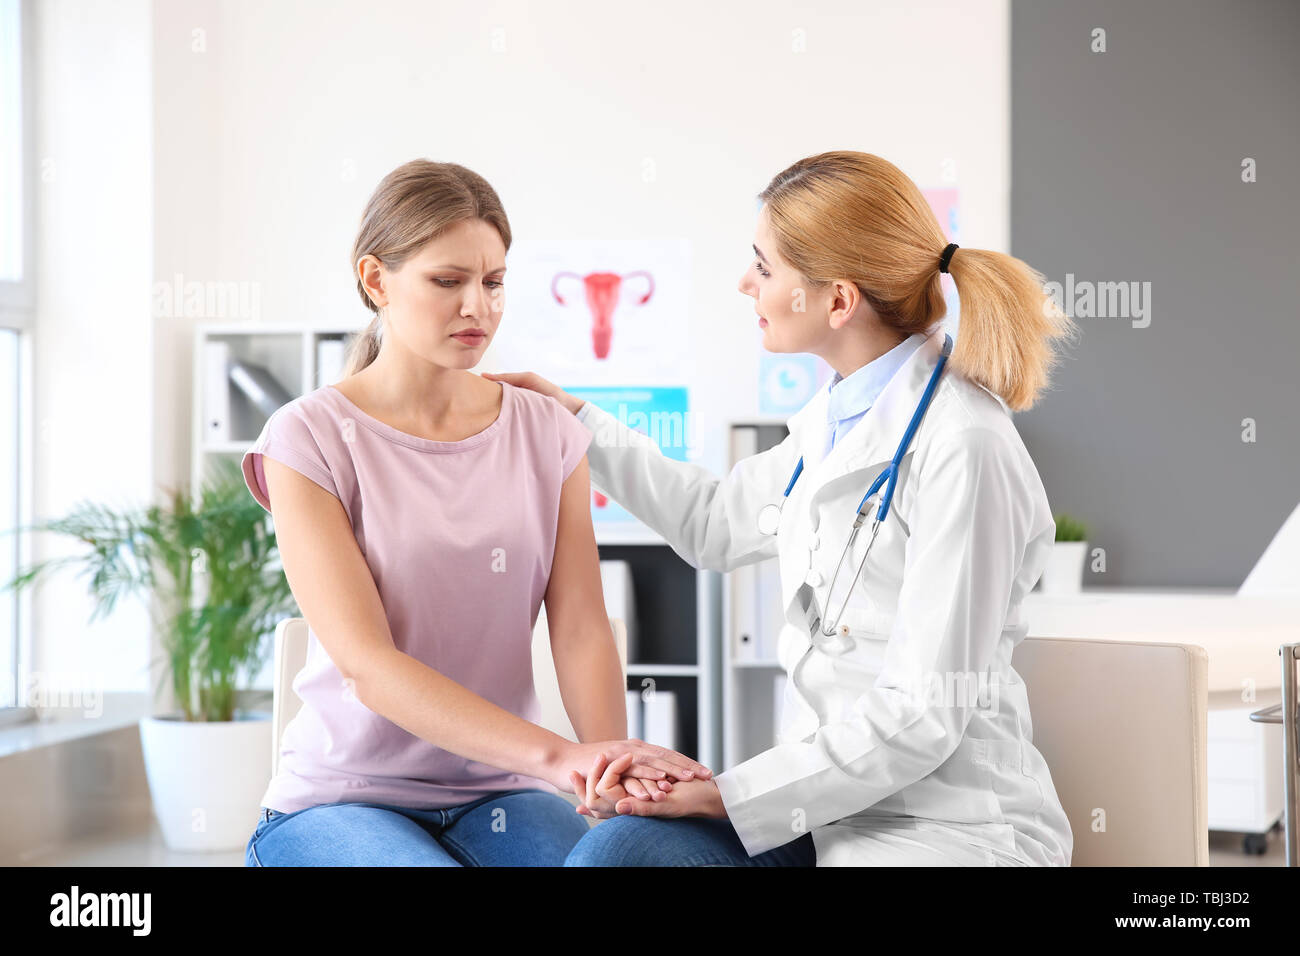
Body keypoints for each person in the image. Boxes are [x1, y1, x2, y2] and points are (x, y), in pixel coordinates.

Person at [486, 150, 1079, 866]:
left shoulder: (966, 445)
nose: (745, 284)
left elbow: (923, 713)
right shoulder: (835, 417)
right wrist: (575, 416)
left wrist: (725, 794)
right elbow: (713, 523)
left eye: (763, 267)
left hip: (942, 829)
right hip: (818, 811)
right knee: (617, 854)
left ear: (836, 300)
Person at [241, 160, 710, 866]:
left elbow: (580, 624)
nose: (478, 307)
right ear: (376, 280)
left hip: (505, 793)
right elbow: (368, 665)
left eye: (493, 282)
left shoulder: (546, 430)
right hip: (343, 800)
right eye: (448, 281)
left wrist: (606, 774)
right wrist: (559, 757)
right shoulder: (305, 438)